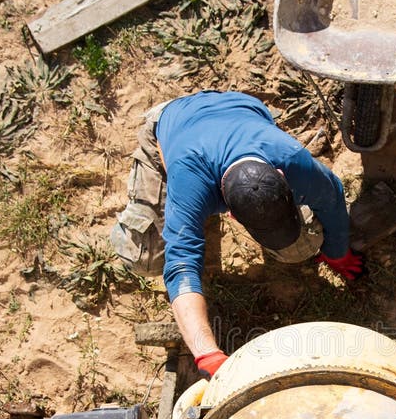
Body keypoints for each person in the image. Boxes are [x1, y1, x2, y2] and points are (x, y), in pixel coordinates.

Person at [111, 90, 363, 378]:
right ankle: (181, 212)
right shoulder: (189, 178)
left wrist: (337, 251)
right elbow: (180, 265)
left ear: (282, 178)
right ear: (231, 213)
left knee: (300, 247)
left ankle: (194, 219)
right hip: (172, 125)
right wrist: (206, 352)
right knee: (146, 258)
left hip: (240, 109)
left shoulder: (291, 159)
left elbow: (332, 196)